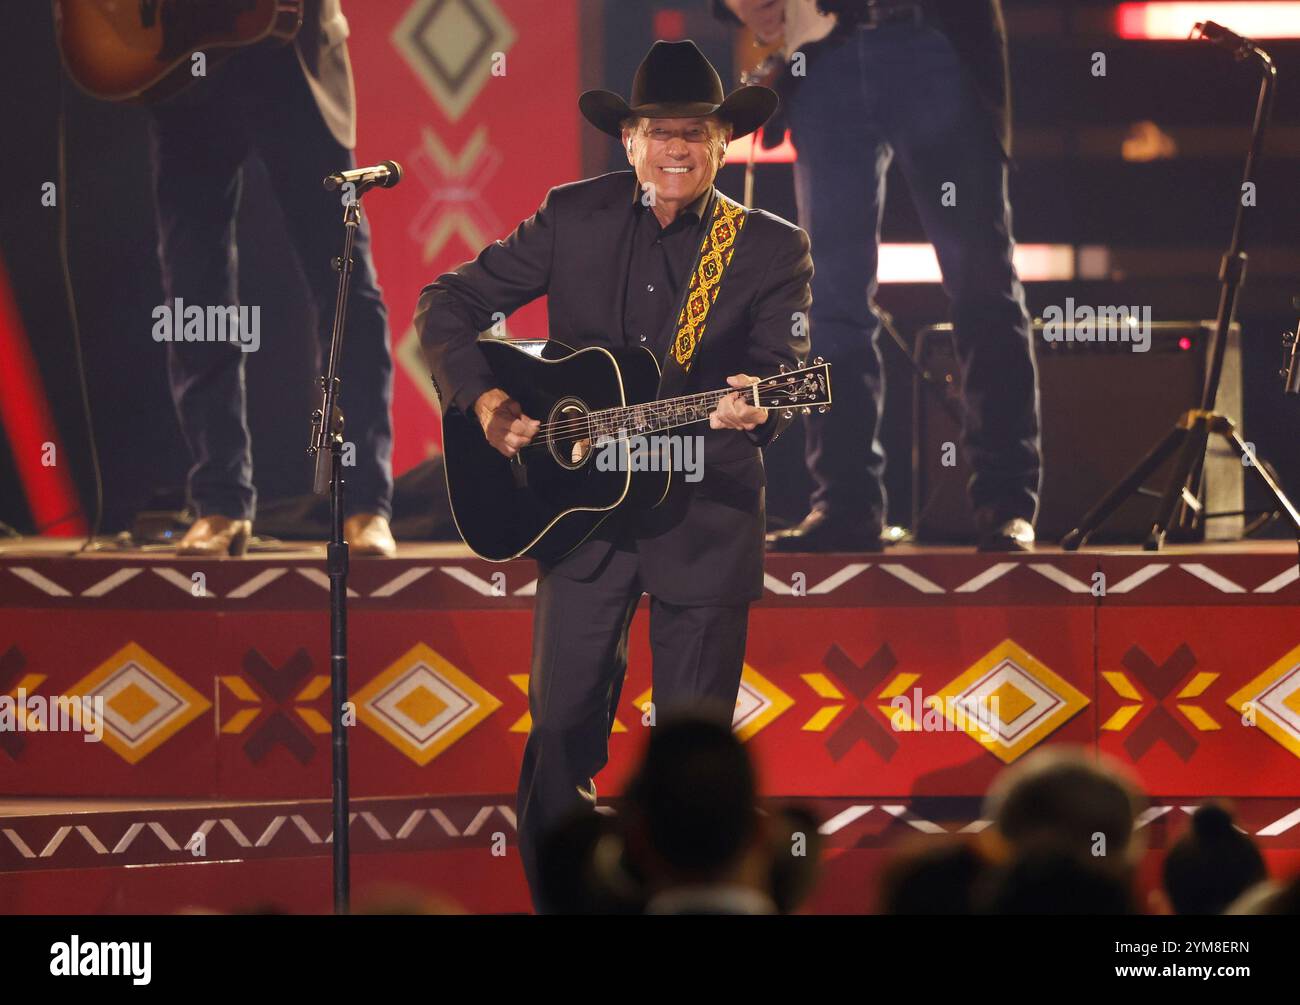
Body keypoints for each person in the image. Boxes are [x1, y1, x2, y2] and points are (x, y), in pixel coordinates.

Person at [416, 39, 812, 907]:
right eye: (660, 132)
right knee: (557, 732)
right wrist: (485, 404)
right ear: (627, 141)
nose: (678, 149)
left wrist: (762, 401)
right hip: (581, 517)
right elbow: (447, 303)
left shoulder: (771, 250)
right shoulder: (573, 215)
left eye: (697, 134)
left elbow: (783, 361)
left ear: (723, 144)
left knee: (695, 761)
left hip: (704, 515)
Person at [716, 0, 1041, 552]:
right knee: (829, 295)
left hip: (932, 36)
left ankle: (1006, 501)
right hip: (826, 52)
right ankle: (844, 504)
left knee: (980, 281)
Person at [150, 0, 397, 557]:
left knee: (343, 278)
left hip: (291, 50)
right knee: (194, 290)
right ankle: (219, 504)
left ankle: (363, 504)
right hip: (182, 62)